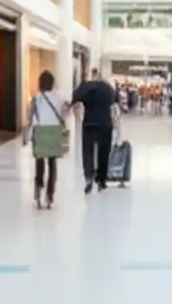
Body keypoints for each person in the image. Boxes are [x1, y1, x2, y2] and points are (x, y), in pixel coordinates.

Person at [25, 70, 69, 209]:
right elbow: (64, 113)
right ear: (52, 83)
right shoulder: (58, 98)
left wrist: (26, 136)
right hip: (54, 131)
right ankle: (50, 196)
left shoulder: (35, 98)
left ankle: (38, 192)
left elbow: (30, 117)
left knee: (39, 163)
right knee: (52, 164)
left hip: (39, 131)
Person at [72, 68, 118, 194]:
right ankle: (101, 180)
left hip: (89, 123)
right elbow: (114, 106)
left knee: (87, 151)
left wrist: (78, 116)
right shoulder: (108, 88)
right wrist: (117, 125)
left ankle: (88, 177)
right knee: (104, 152)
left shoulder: (86, 87)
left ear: (91, 75)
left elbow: (75, 99)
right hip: (105, 123)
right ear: (100, 75)